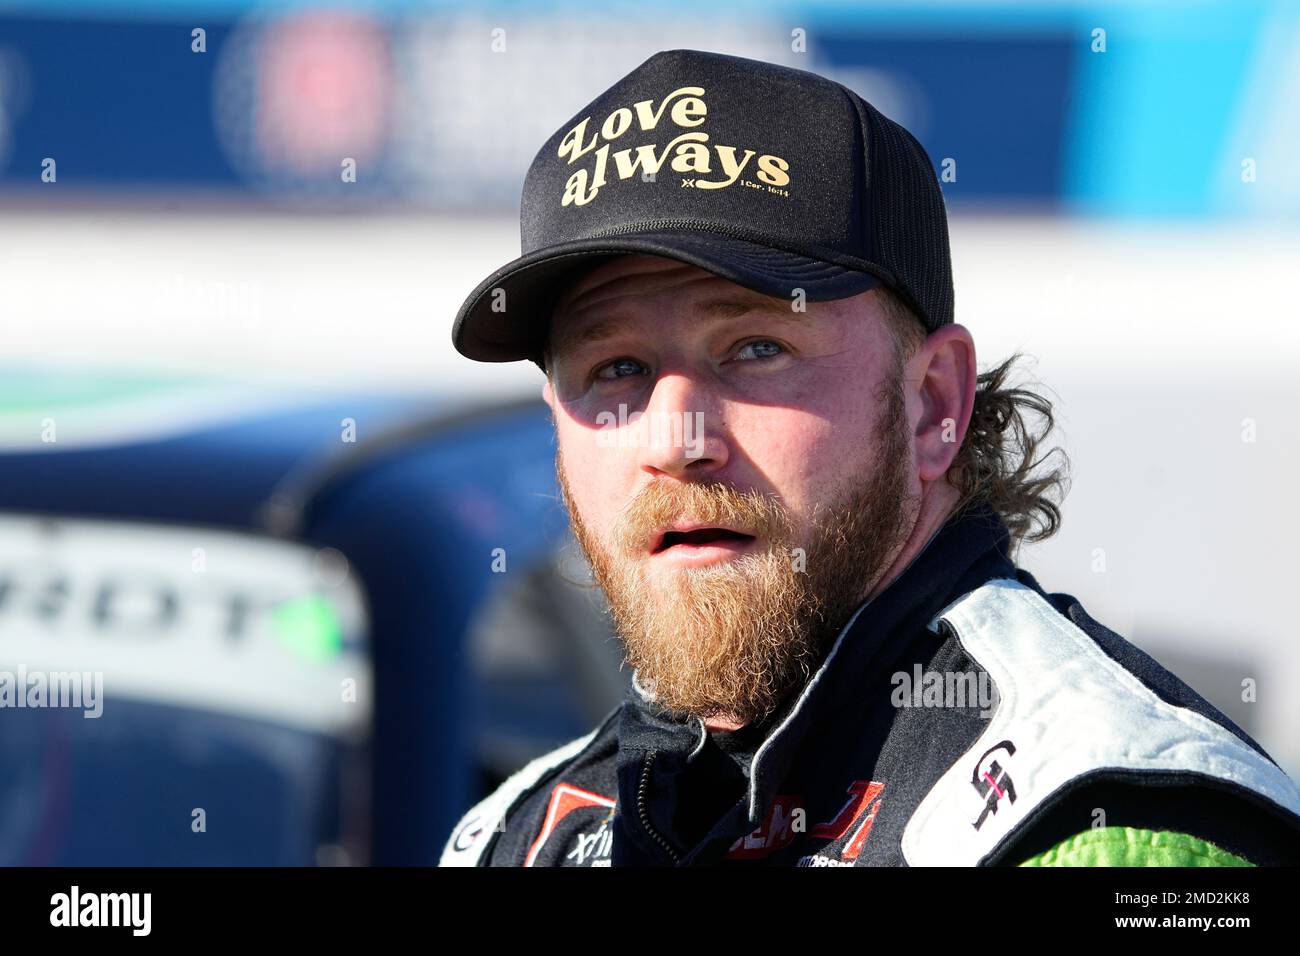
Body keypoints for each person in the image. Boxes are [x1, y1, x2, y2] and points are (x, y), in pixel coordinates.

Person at [439, 48, 1300, 866]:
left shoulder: (1102, 814)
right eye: (615, 368)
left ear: (933, 403)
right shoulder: (512, 837)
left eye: (753, 348)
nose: (675, 442)